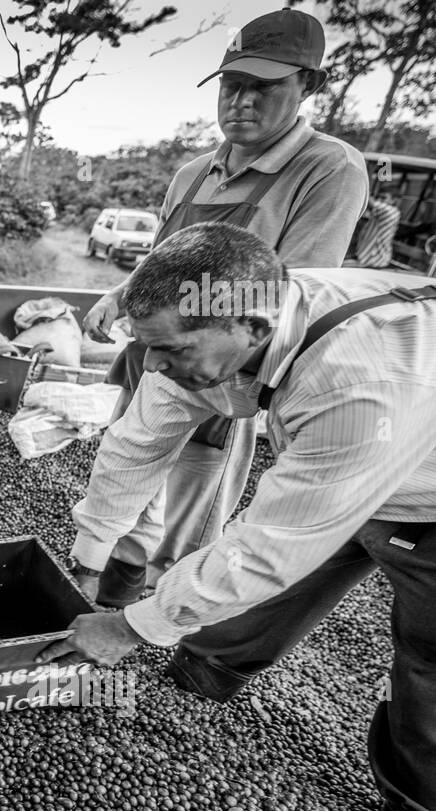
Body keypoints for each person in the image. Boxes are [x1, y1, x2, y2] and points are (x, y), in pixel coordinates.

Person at [45, 221, 436, 811]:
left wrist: (128, 628)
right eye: (148, 348)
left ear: (253, 329)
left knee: (428, 655)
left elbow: (270, 550)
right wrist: (88, 562)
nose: (154, 365)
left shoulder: (357, 384)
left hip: (427, 494)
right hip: (342, 460)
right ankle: (208, 669)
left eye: (171, 351)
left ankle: (417, 808)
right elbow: (135, 446)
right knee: (268, 581)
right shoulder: (205, 320)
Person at [76, 7, 369, 607]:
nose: (241, 102)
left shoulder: (329, 168)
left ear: (307, 86)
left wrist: (202, 348)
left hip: (231, 368)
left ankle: (172, 610)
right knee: (128, 463)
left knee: (197, 495)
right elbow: (161, 262)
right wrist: (121, 295)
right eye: (233, 85)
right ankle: (108, 584)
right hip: (162, 353)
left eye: (264, 88)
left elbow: (295, 291)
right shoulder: (191, 173)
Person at [353, 189, 403, 269]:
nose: (379, 200)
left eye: (383, 198)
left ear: (394, 200)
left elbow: (371, 203)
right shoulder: (379, 213)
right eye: (378, 197)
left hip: (375, 261)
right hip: (367, 258)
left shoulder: (391, 212)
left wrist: (364, 188)